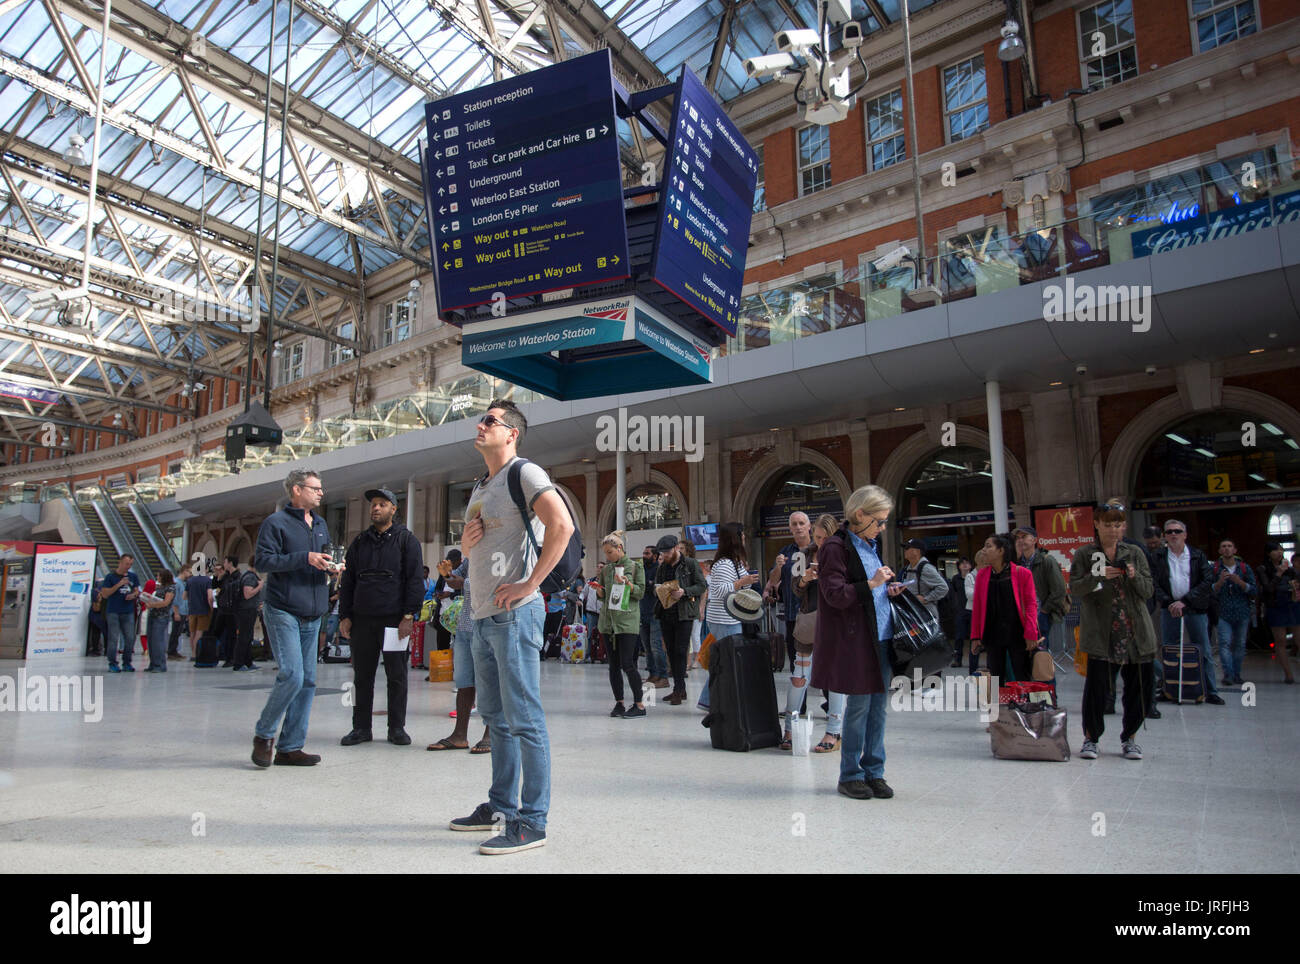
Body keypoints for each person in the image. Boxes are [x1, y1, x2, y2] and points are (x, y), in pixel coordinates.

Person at [449, 400, 572, 855]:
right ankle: (501, 806)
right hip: (481, 616)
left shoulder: (526, 472)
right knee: (496, 720)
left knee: (524, 719)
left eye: (491, 421)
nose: (480, 425)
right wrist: (463, 543)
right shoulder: (481, 484)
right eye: (481, 419)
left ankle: (533, 821)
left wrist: (529, 584)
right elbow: (473, 549)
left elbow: (561, 524)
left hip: (515, 615)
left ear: (512, 433)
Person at [812, 485, 895, 800]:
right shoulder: (835, 547)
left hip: (881, 636)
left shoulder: (869, 544)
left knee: (878, 710)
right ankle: (850, 775)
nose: (882, 527)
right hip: (858, 639)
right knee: (859, 707)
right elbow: (834, 594)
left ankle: (875, 772)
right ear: (860, 514)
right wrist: (871, 584)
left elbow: (869, 589)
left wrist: (887, 588)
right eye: (879, 520)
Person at [251, 468, 334, 769]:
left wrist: (330, 565)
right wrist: (305, 558)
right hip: (283, 608)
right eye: (315, 488)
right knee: (293, 675)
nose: (321, 493)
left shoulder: (321, 524)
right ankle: (264, 734)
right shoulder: (275, 523)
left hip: (313, 610)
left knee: (308, 681)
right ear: (297, 490)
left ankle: (290, 747)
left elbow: (320, 557)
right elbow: (263, 561)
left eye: (321, 488)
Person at [337, 487, 424, 747]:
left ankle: (396, 728)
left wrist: (408, 615)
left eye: (382, 504)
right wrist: (345, 615)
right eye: (373, 504)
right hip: (362, 620)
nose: (376, 508)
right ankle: (361, 728)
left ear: (393, 510)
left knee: (396, 676)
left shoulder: (407, 540)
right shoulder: (360, 542)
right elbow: (349, 581)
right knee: (362, 677)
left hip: (394, 621)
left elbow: (414, 580)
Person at [1070, 501, 1157, 760]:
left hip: (1135, 633)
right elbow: (1075, 588)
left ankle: (1130, 737)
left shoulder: (1135, 553)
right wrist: (1099, 577)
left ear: (1124, 526)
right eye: (1108, 524)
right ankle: (1090, 738)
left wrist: (1133, 575)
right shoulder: (1086, 554)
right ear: (1096, 524)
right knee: (1097, 689)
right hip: (1102, 632)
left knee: (1139, 688)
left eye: (1118, 524)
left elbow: (1148, 591)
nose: (1113, 529)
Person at [782, 514, 845, 752]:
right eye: (817, 537)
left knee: (835, 677)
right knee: (799, 677)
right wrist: (804, 579)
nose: (820, 542)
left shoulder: (843, 554)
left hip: (836, 622)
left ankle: (834, 732)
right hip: (809, 620)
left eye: (825, 538)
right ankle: (790, 728)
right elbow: (794, 590)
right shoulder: (803, 555)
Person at [1152, 519, 1225, 705]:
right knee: (1168, 649)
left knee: (1203, 649)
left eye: (1177, 531)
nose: (1173, 535)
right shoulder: (1159, 556)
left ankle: (1211, 691)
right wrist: (1170, 602)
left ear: (1185, 534)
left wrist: (1184, 601)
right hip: (1170, 609)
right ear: (1164, 536)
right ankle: (1170, 689)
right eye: (1169, 532)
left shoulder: (1197, 555)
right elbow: (1154, 582)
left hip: (1194, 608)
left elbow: (1206, 581)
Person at [427, 554, 491, 753]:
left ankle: (491, 734)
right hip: (466, 624)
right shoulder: (471, 558)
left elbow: (495, 582)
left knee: (490, 681)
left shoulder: (499, 547)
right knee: (464, 681)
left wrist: (464, 582)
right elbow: (456, 582)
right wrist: (447, 575)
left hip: (489, 622)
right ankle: (459, 735)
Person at [969, 533, 1040, 684]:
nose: (984, 550)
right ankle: (998, 706)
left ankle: (1024, 704)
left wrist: (1031, 632)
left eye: (988, 546)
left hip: (1017, 633)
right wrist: (975, 636)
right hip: (992, 634)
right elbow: (978, 608)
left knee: (1022, 674)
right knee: (995, 677)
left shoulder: (1022, 574)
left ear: (1001, 551)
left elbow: (1031, 605)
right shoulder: (982, 575)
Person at [703, 522, 757, 713]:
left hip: (730, 617)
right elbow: (718, 592)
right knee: (727, 660)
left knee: (725, 659)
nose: (744, 538)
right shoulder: (725, 563)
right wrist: (742, 581)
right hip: (724, 618)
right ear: (736, 537)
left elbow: (741, 588)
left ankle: (708, 699)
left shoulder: (734, 561)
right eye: (742, 535)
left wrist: (746, 581)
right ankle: (710, 699)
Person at [596, 530, 646, 718]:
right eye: (605, 553)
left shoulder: (635, 567)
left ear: (620, 548)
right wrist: (598, 591)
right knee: (613, 665)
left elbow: (640, 593)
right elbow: (603, 596)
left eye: (610, 552)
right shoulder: (607, 570)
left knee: (628, 663)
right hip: (608, 622)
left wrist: (629, 585)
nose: (607, 557)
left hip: (627, 621)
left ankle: (640, 705)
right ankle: (619, 703)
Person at [653, 533, 707, 705]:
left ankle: (679, 689)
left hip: (684, 614)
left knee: (680, 651)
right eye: (662, 554)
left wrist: (685, 591)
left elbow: (702, 586)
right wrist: (658, 590)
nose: (665, 556)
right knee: (670, 651)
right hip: (666, 613)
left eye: (667, 553)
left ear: (676, 548)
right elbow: (657, 585)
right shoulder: (663, 567)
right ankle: (679, 689)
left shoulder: (690, 564)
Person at [765, 512, 815, 672]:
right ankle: (801, 695)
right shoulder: (785, 552)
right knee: (797, 662)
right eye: (794, 524)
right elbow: (773, 580)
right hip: (793, 615)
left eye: (801, 523)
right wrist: (778, 567)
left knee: (821, 660)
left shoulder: (819, 549)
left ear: (809, 527)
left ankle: (827, 695)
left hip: (816, 613)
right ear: (790, 529)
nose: (798, 527)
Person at [1210, 539, 1255, 687]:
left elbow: (1254, 590)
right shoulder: (1215, 569)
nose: (1227, 549)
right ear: (1219, 551)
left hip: (1242, 611)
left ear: (1235, 550)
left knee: (1240, 644)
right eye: (1224, 546)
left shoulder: (1244, 568)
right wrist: (1220, 582)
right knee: (1224, 643)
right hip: (1223, 612)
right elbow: (1209, 590)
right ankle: (1228, 674)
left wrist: (1240, 582)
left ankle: (1237, 673)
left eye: (1230, 546)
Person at [1014, 526, 1068, 647]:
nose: (1020, 540)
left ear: (1034, 540)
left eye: (1024, 537)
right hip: (1022, 615)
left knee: (1040, 652)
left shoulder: (1047, 561)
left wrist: (1044, 610)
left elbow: (1059, 590)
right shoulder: (1017, 563)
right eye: (1018, 538)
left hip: (1040, 614)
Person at [1257, 542, 1298, 684]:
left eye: (1281, 550)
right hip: (1275, 605)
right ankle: (1288, 674)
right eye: (1275, 550)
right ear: (1269, 553)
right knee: (1280, 640)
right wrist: (1279, 573)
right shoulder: (1263, 568)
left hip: (1292, 604)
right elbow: (1268, 588)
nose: (1279, 553)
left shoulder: (1290, 569)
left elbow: (1296, 583)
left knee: (1298, 639)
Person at [98, 554, 139, 672]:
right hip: (113, 611)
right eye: (127, 564)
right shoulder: (110, 577)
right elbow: (105, 594)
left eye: (131, 564)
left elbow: (137, 591)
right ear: (120, 562)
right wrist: (119, 584)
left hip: (128, 611)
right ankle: (112, 662)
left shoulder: (133, 576)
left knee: (130, 637)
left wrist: (133, 595)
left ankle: (127, 662)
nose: (128, 566)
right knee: (113, 638)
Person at [896, 538, 949, 623]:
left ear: (916, 551)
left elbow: (943, 587)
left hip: (927, 616)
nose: (904, 551)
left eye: (907, 548)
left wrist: (925, 599)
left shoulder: (926, 568)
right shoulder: (908, 569)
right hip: (914, 614)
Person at [639, 545, 669, 686]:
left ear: (655, 556)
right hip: (642, 610)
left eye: (647, 553)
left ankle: (663, 676)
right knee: (647, 646)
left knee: (656, 645)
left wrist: (647, 586)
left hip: (655, 612)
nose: (644, 555)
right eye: (644, 553)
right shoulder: (641, 569)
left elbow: (657, 589)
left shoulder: (660, 569)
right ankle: (653, 674)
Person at [231, 559, 265, 671]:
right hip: (246, 611)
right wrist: (260, 586)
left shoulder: (249, 576)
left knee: (248, 636)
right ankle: (239, 663)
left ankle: (248, 662)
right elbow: (247, 594)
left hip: (249, 610)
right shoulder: (250, 577)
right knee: (244, 637)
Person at [141, 570, 176, 672]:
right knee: (151, 641)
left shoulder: (171, 588)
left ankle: (160, 664)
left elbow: (166, 602)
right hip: (153, 615)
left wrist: (152, 605)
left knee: (158, 641)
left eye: (159, 576)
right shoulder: (160, 587)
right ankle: (153, 663)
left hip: (161, 617)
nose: (157, 577)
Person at [214, 556, 242, 667]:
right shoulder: (225, 576)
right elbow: (216, 587)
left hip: (232, 610)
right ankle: (216, 654)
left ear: (230, 563)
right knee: (217, 631)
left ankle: (231, 657)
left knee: (232, 634)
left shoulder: (237, 577)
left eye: (225, 562)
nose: (223, 564)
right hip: (222, 608)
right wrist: (217, 577)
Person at [949, 557, 973, 668]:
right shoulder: (955, 579)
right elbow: (952, 593)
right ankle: (957, 660)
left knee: (974, 636)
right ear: (959, 566)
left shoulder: (973, 577)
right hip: (960, 610)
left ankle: (974, 660)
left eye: (967, 563)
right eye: (962, 563)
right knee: (959, 637)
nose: (964, 565)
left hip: (972, 610)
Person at [186, 563, 212, 653]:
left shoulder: (190, 580)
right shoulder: (207, 580)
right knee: (199, 632)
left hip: (192, 609)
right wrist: (211, 607)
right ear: (205, 569)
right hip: (203, 609)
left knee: (192, 632)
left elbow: (184, 596)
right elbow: (210, 597)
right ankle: (195, 653)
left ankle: (192, 651)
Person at [168, 564, 189, 657]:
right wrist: (176, 612)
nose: (190, 574)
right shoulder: (177, 583)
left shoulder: (183, 583)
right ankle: (171, 651)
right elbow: (175, 599)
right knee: (175, 632)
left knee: (178, 632)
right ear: (184, 571)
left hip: (183, 611)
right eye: (189, 572)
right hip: (178, 611)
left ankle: (174, 650)